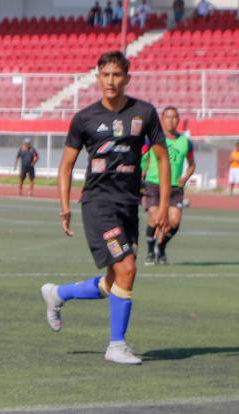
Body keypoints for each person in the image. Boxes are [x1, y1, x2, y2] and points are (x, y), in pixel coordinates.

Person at [41, 51, 169, 365]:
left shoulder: (145, 113)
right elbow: (66, 166)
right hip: (98, 205)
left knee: (114, 281)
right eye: (105, 75)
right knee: (128, 268)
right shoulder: (84, 118)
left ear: (127, 77)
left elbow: (163, 160)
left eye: (116, 75)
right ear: (97, 77)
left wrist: (162, 206)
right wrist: (64, 206)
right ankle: (116, 345)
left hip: (129, 206)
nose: (110, 81)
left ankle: (58, 294)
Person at [141, 106, 195, 265]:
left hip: (174, 188)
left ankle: (161, 247)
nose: (171, 120)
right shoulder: (153, 138)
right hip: (154, 184)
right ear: (162, 120)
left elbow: (192, 164)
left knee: (174, 222)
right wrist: (142, 172)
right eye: (167, 117)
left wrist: (184, 178)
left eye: (174, 117)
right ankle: (150, 252)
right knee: (156, 217)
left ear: (178, 120)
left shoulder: (186, 142)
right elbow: (141, 155)